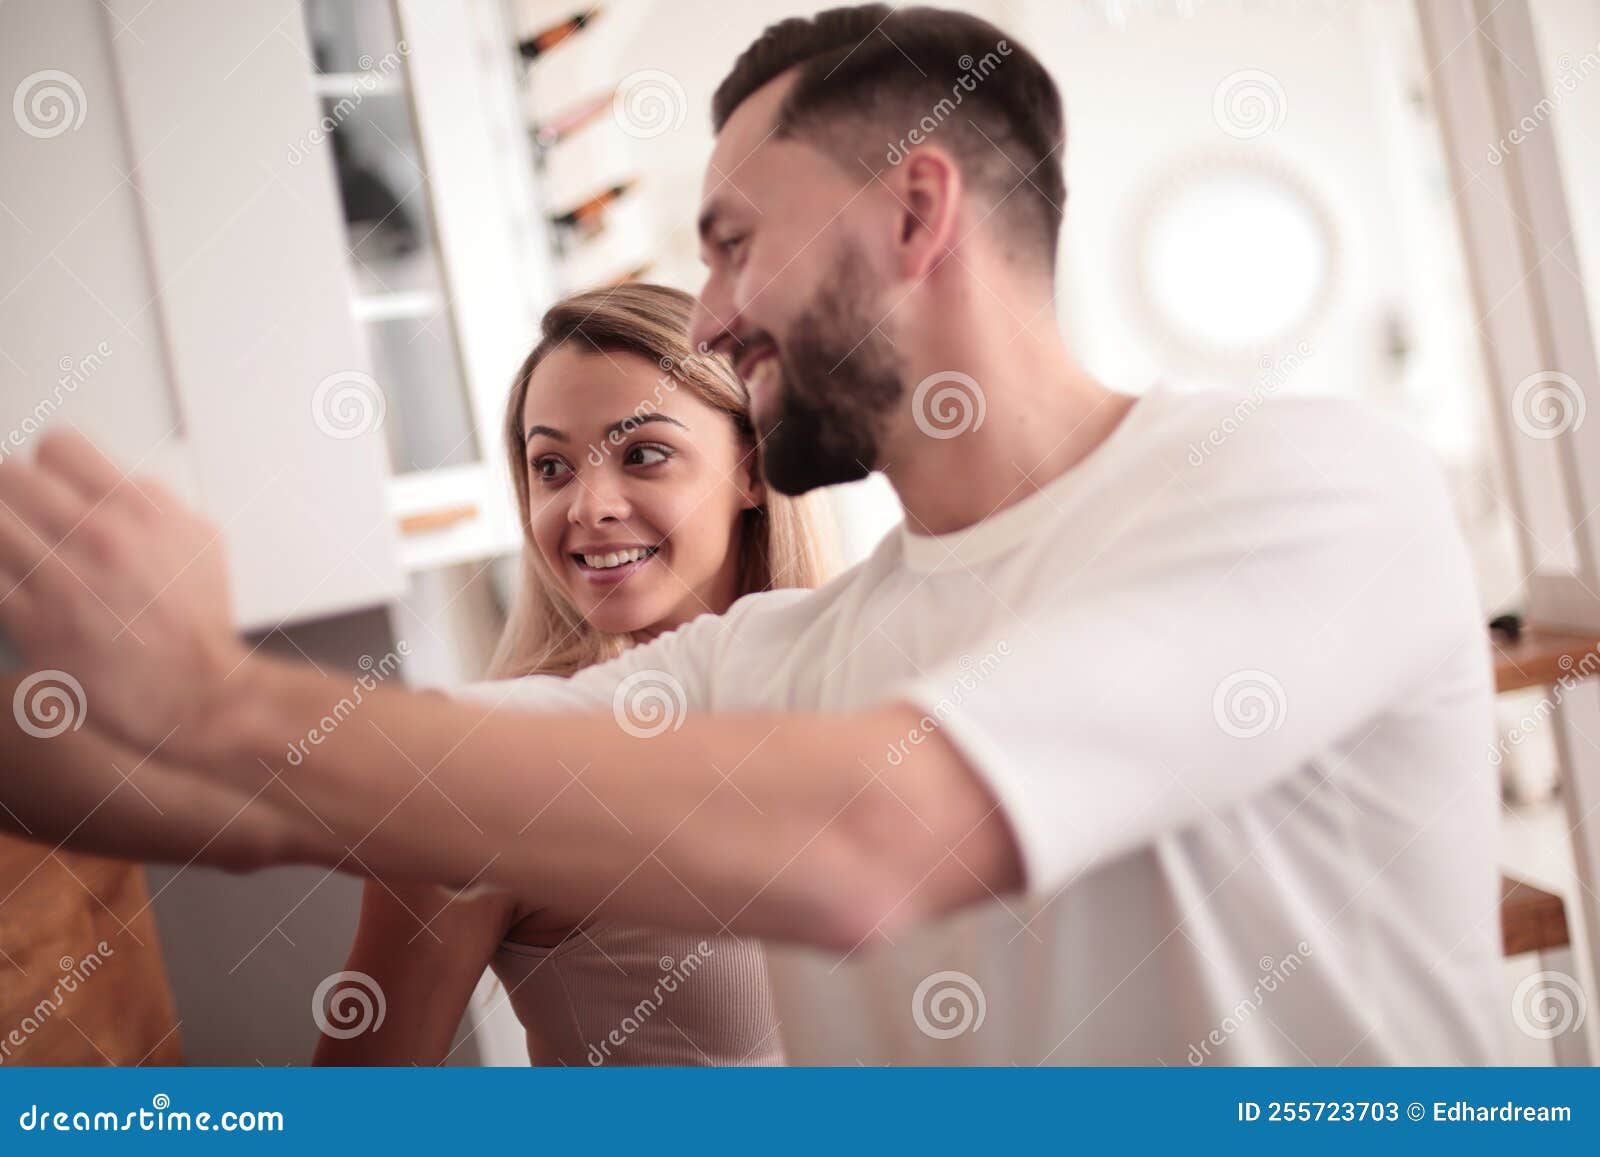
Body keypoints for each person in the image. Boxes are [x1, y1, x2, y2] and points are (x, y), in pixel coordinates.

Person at [0, 5, 1502, 1064]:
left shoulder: (1306, 479)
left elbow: (870, 843)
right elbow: (291, 793)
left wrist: (215, 694)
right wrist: (94, 709)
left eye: (732, 242)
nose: (713, 313)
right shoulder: (783, 659)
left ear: (917, 212)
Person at [315, 283, 831, 1066]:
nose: (586, 506)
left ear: (752, 468)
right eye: (551, 466)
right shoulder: (484, 774)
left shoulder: (863, 708)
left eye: (643, 454)